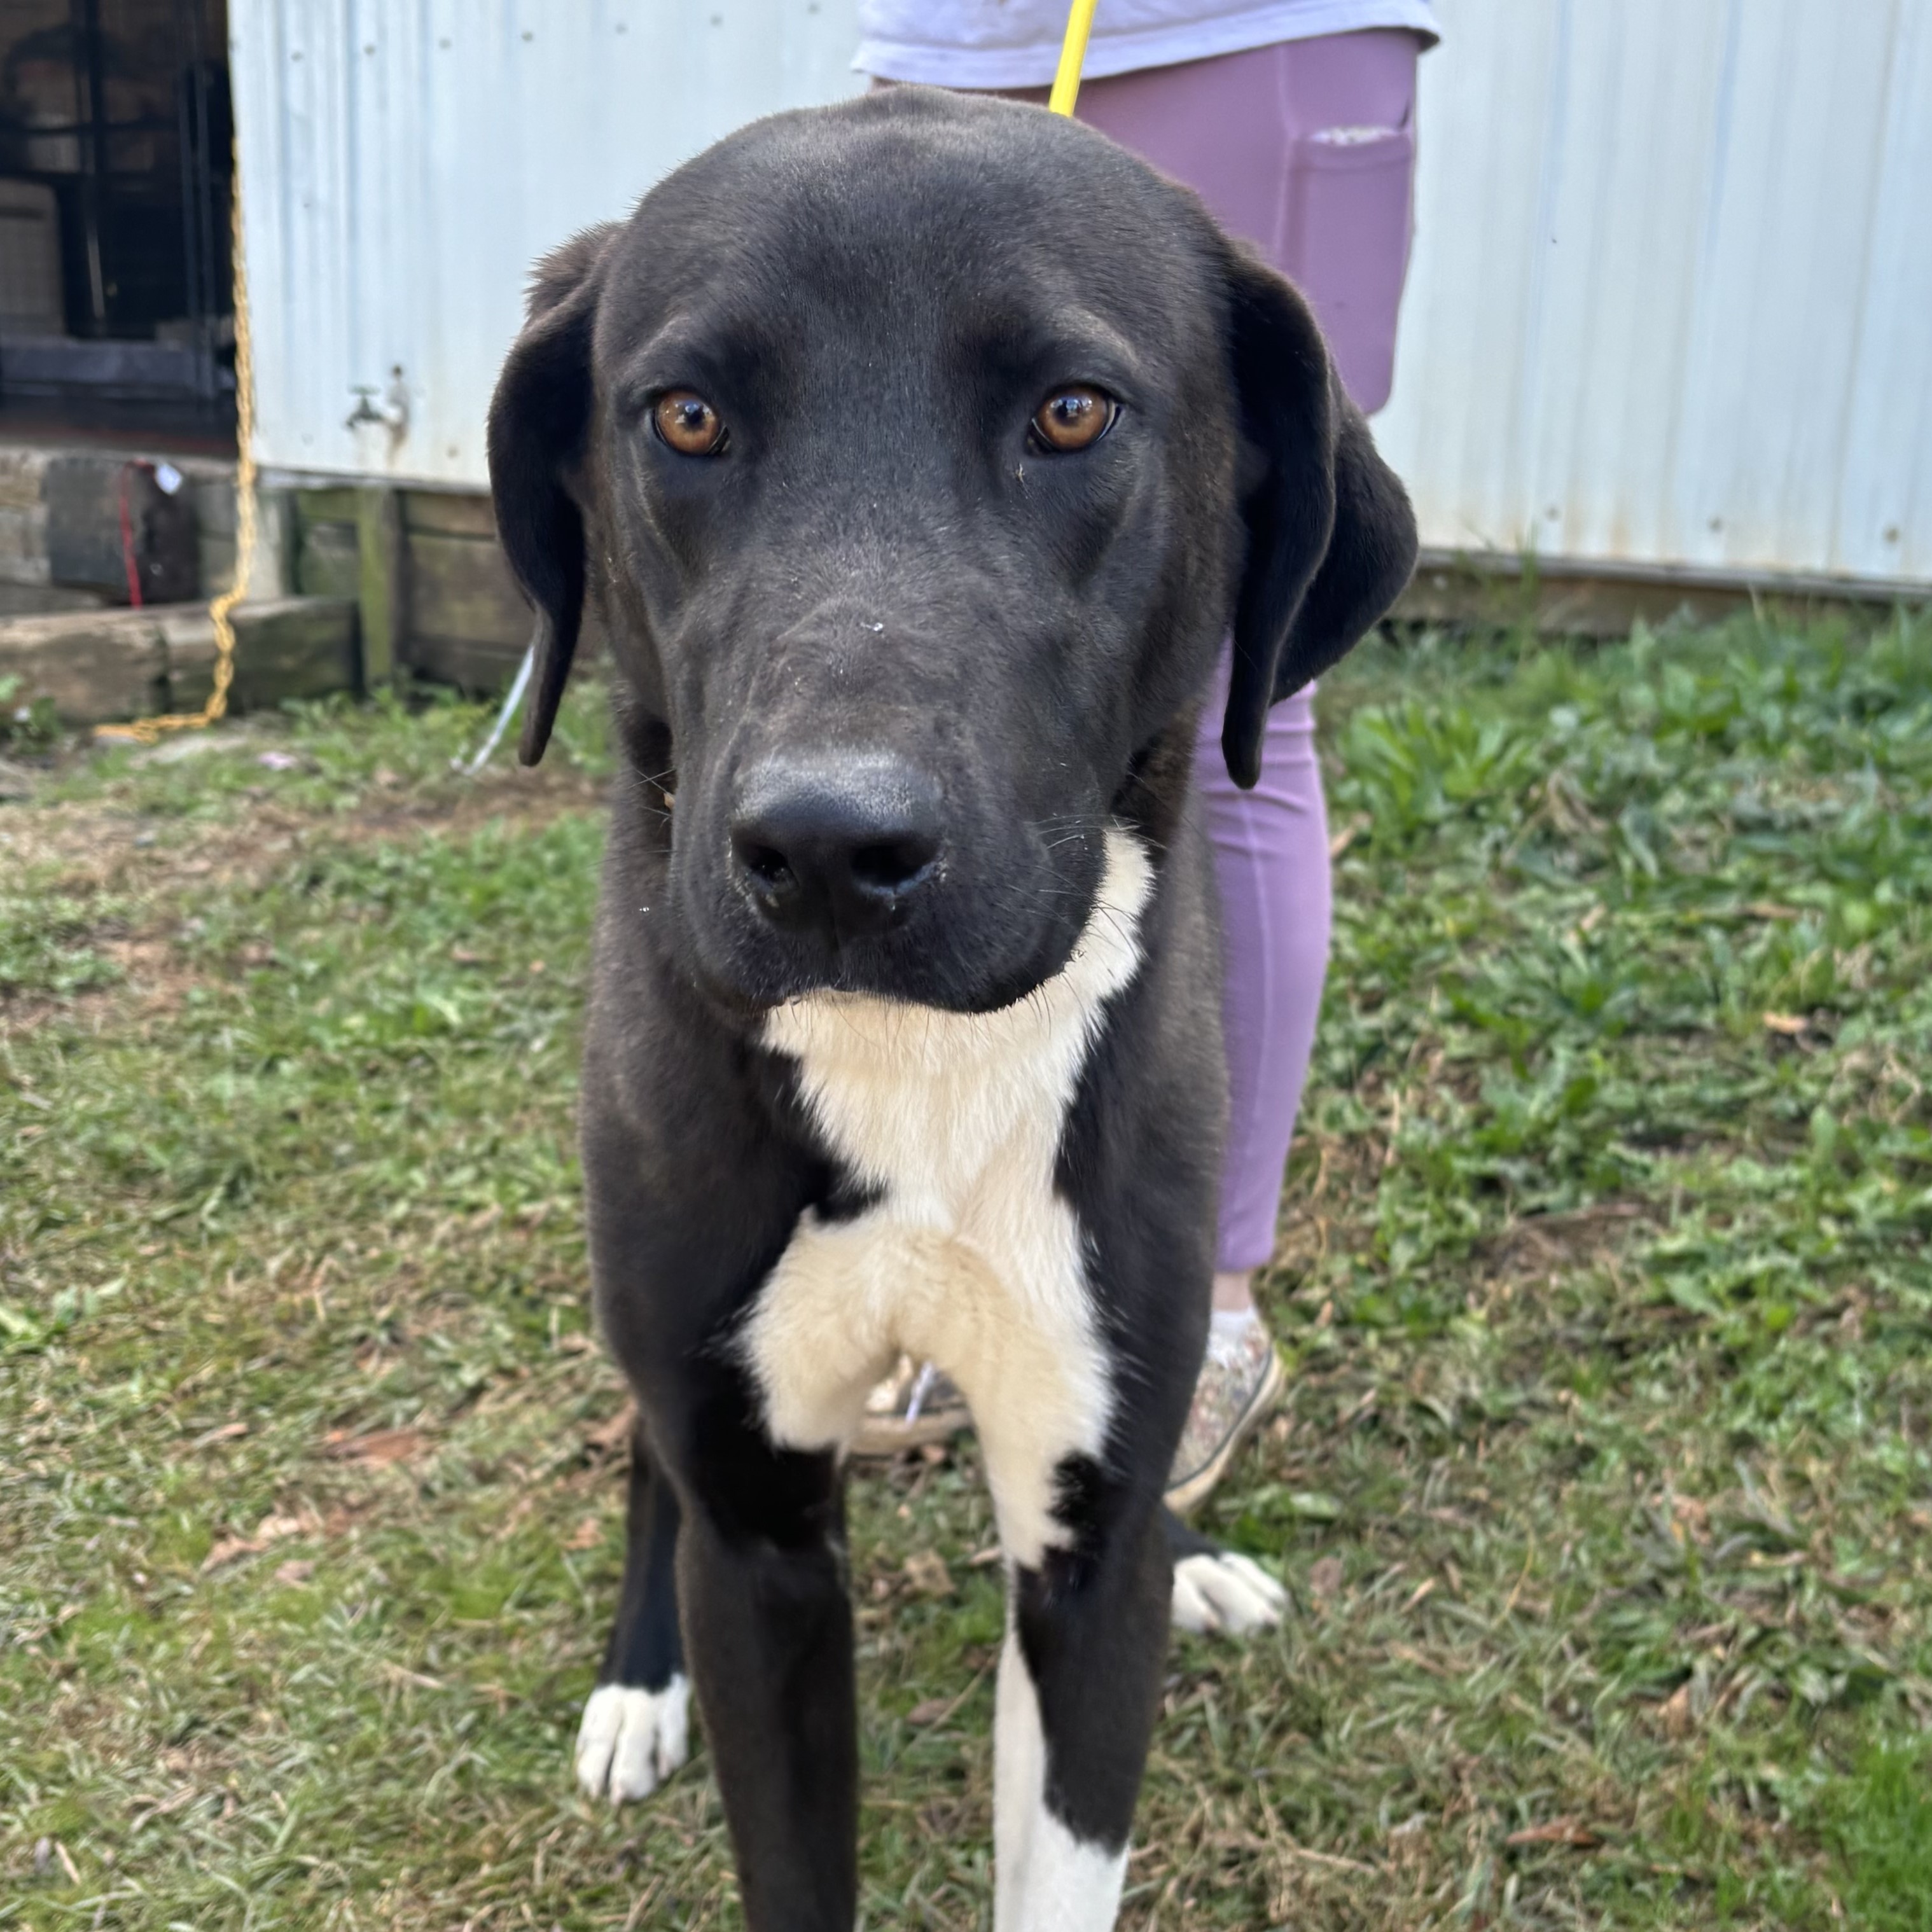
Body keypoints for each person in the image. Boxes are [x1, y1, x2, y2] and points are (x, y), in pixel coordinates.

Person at [851, 0, 1438, 1509]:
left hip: (1241, 35)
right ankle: (974, 1242)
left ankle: (1209, 1298)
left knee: (1236, 683)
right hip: (941, 55)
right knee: (928, 671)